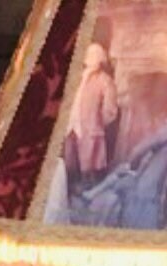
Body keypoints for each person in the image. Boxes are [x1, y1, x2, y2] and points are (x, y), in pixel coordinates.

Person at [75, 89, 167, 231]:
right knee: (120, 175)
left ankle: (94, 202)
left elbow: (142, 147)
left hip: (147, 184)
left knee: (121, 173)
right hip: (151, 179)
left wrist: (131, 163)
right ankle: (93, 196)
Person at [65, 42, 118, 188]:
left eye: (93, 54)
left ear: (100, 59)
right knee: (67, 165)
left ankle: (84, 199)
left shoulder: (105, 80)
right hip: (70, 126)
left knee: (87, 171)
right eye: (87, 53)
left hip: (89, 130)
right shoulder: (77, 75)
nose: (88, 56)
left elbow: (111, 111)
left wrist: (96, 124)